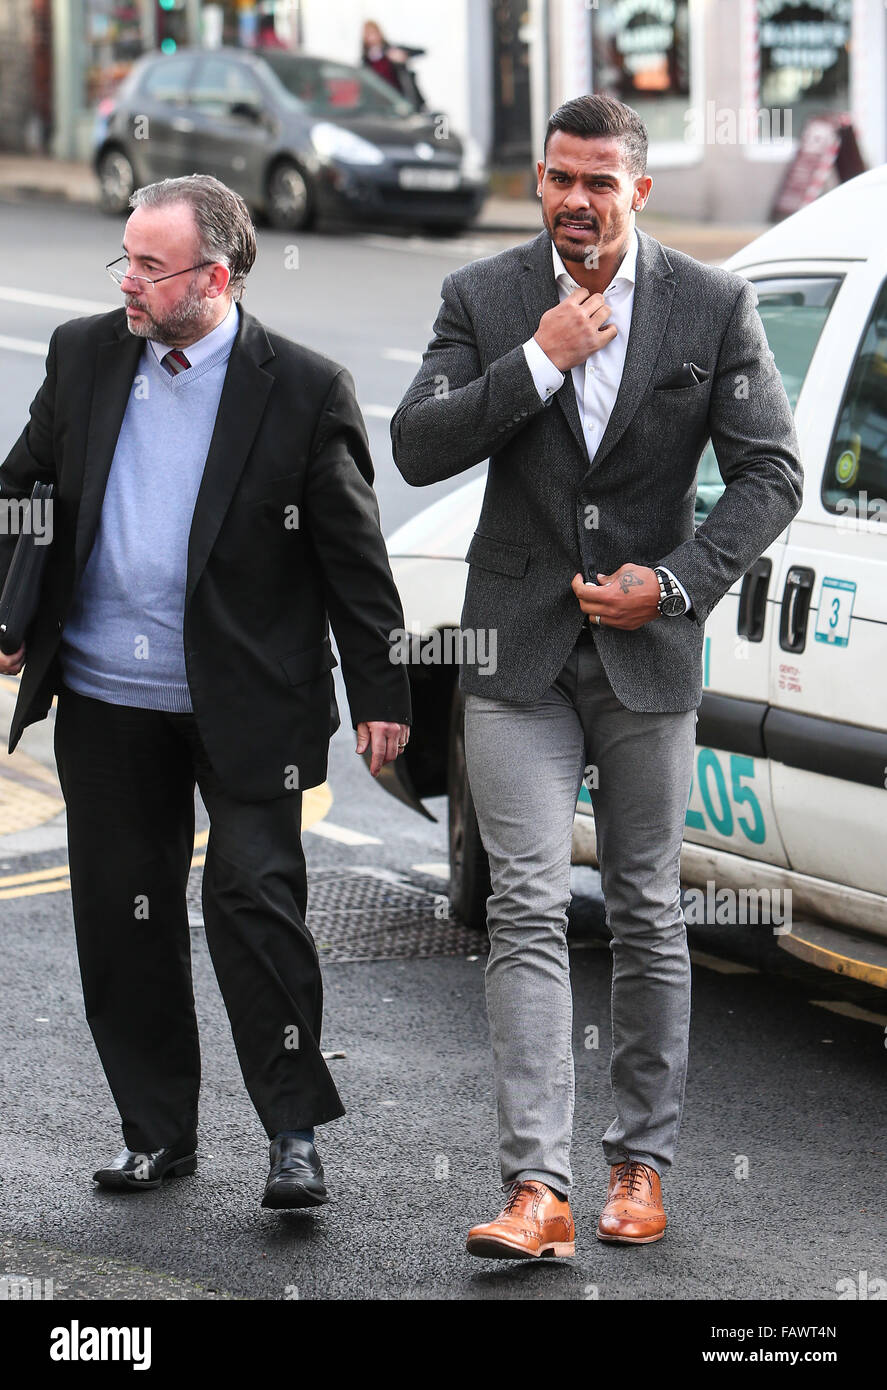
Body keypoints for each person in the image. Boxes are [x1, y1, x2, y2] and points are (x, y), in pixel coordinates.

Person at [391, 95, 802, 1256]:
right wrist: (536, 358)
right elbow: (418, 444)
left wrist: (672, 584)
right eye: (557, 179)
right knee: (523, 904)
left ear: (638, 189)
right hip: (515, 653)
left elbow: (770, 472)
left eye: (598, 183)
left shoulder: (709, 305)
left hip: (645, 651)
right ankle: (537, 1190)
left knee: (642, 910)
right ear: (538, 179)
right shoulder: (481, 297)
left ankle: (639, 1165)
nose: (575, 201)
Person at [0, 173, 411, 1208]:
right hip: (105, 696)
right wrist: (10, 608)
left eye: (150, 265)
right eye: (124, 259)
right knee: (121, 916)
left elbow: (352, 560)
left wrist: (382, 690)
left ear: (214, 278)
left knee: (253, 901)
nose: (126, 282)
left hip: (250, 702)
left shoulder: (304, 387)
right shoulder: (86, 353)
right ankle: (156, 1132)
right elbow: (22, 487)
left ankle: (291, 1135)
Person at [360, 19, 426, 109]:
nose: (372, 37)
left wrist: (404, 55)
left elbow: (421, 51)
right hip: (381, 102)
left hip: (401, 98)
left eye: (373, 33)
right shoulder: (366, 61)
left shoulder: (392, 50)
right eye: (368, 34)